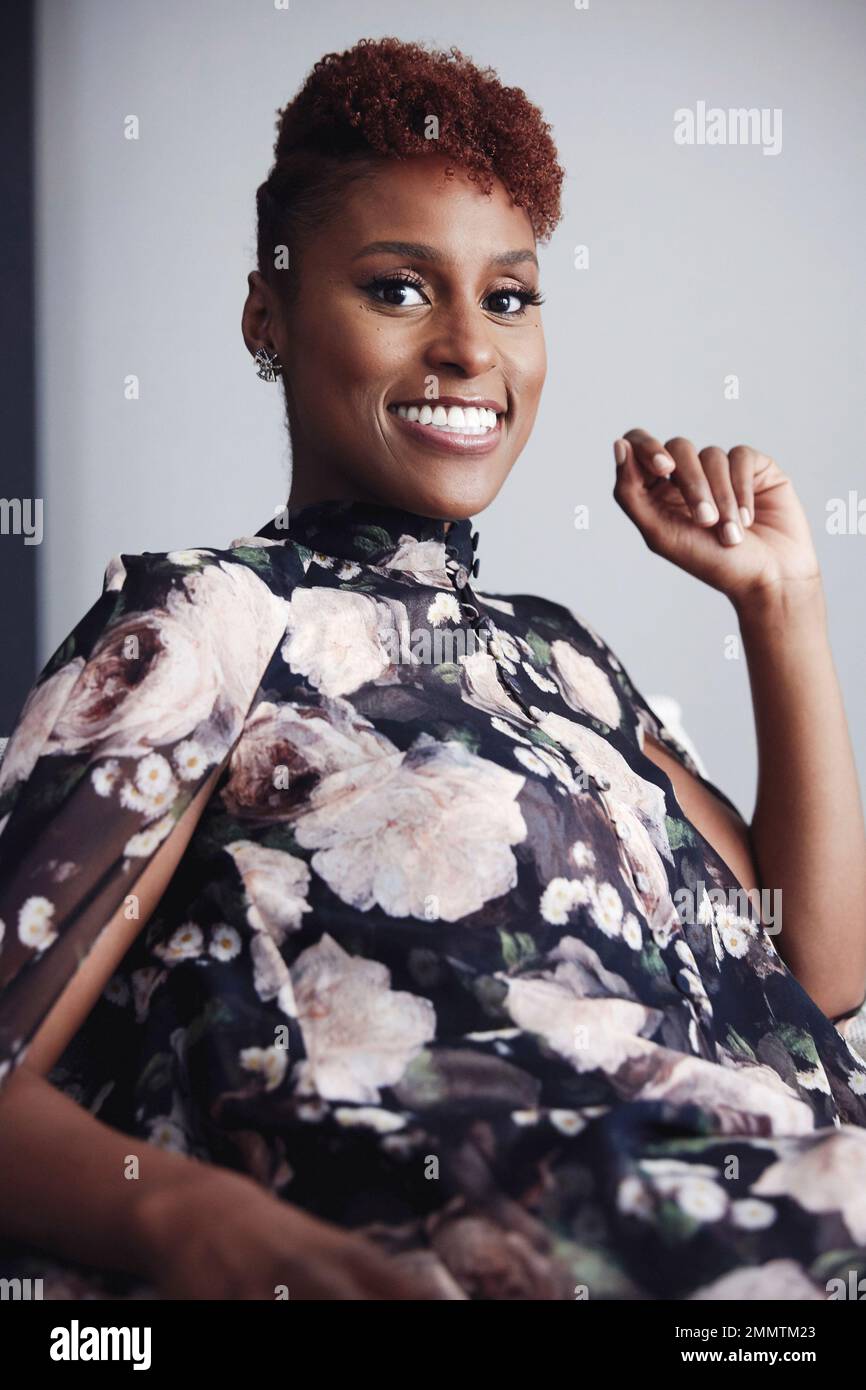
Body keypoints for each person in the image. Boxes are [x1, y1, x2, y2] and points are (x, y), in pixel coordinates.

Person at [1, 35, 866, 1302]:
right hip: (530, 1243)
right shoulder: (211, 617)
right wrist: (194, 1223)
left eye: (507, 297)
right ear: (269, 312)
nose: (469, 346)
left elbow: (815, 973)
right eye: (400, 289)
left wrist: (780, 606)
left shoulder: (560, 659)